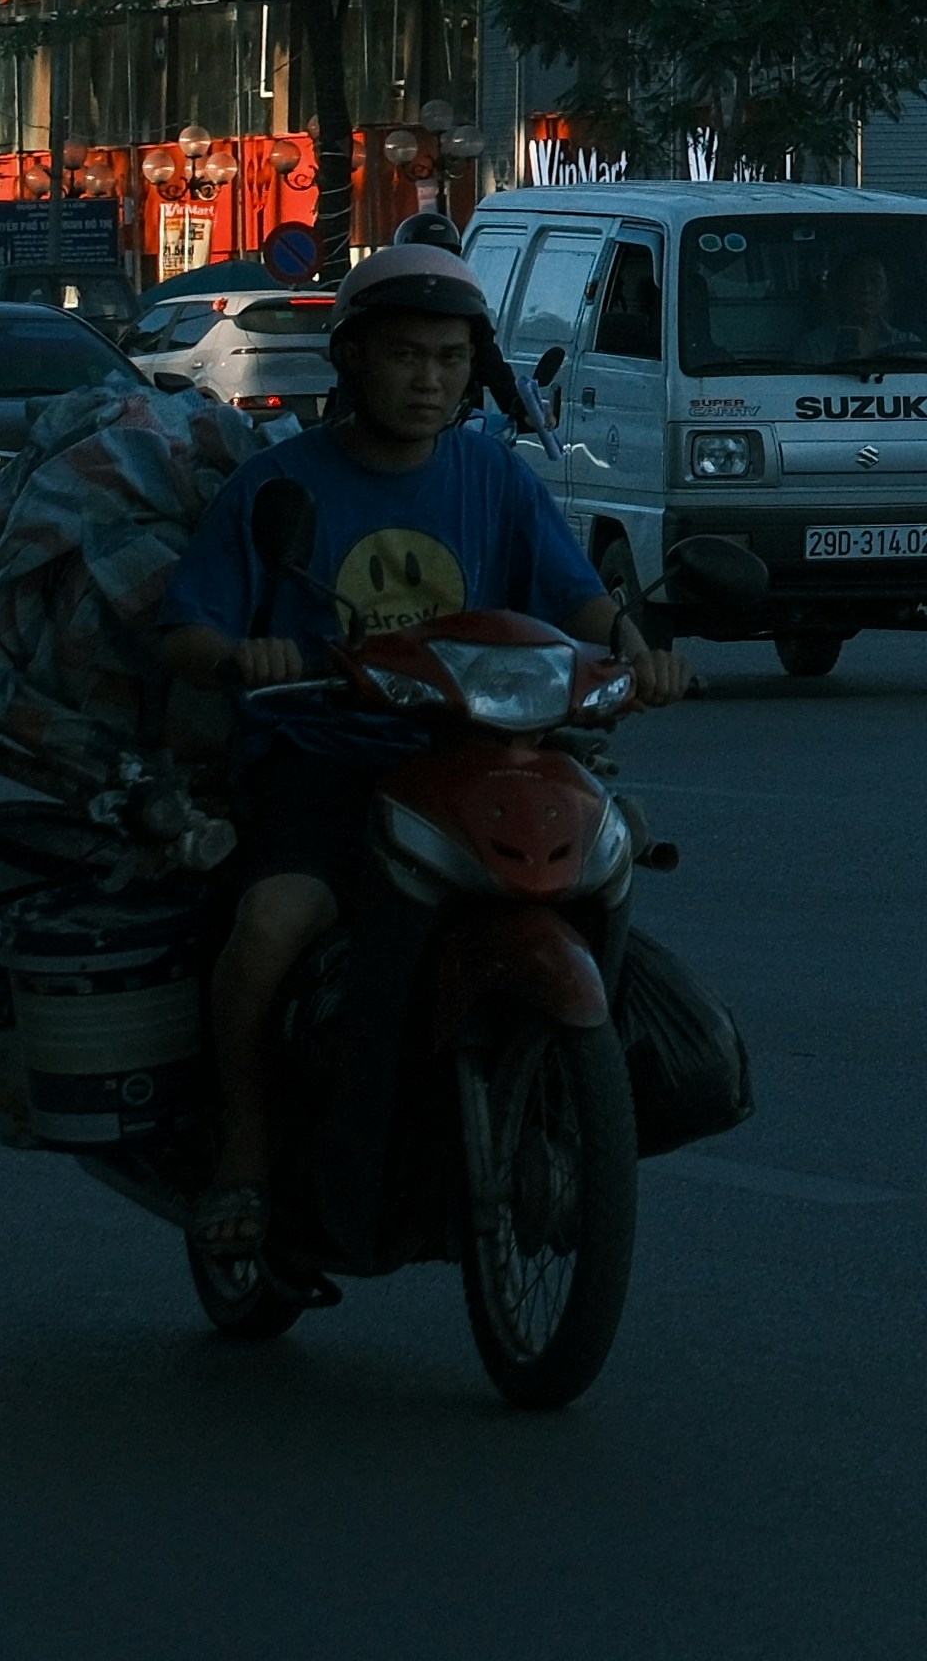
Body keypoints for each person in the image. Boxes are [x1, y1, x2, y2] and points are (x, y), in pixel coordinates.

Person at [155, 242, 674, 1257]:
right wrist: (243, 655)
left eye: (447, 358)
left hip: (482, 758)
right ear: (353, 361)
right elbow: (184, 630)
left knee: (608, 865)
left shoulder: (494, 476)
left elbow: (575, 595)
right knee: (269, 926)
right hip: (330, 760)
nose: (428, 378)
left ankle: (562, 1107)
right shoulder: (279, 486)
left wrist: (639, 655)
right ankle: (249, 1153)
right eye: (404, 356)